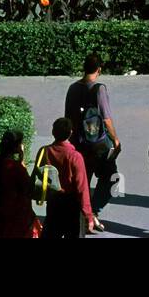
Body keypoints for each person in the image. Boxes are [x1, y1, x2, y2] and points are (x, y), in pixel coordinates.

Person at [63, 53, 121, 232]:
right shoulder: (99, 89)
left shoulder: (72, 88)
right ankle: (94, 211)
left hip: (78, 144)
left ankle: (84, 218)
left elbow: (67, 116)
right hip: (98, 146)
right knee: (112, 178)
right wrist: (116, 139)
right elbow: (106, 119)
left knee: (83, 182)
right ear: (99, 70)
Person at [39, 118, 94, 238]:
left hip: (53, 203)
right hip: (72, 205)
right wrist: (88, 215)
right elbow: (82, 188)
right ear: (70, 133)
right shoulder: (75, 156)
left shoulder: (44, 151)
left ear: (53, 133)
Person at [0, 130, 36, 238]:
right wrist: (21, 159)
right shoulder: (16, 168)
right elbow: (28, 188)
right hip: (15, 216)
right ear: (16, 147)